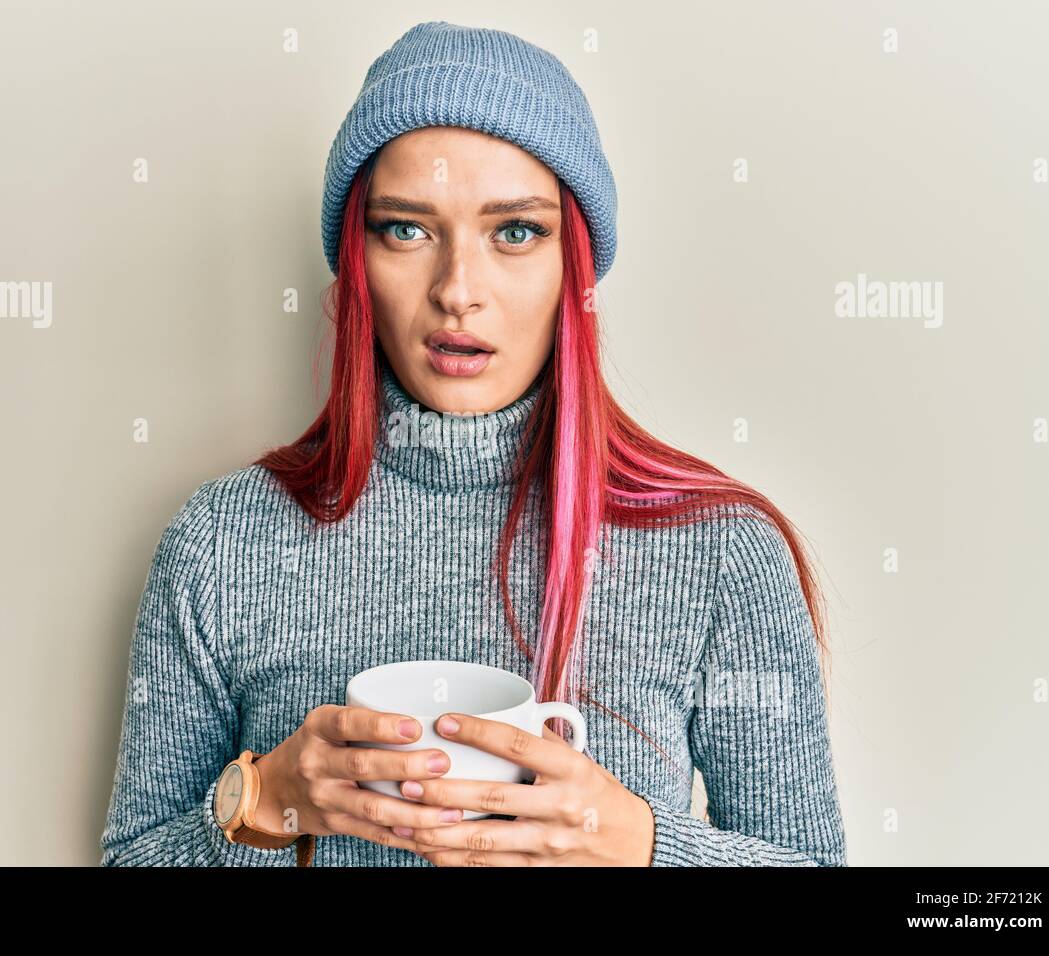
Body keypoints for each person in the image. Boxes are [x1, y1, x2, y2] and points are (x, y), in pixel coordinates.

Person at [100, 19, 847, 867]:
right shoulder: (222, 541)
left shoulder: (718, 550)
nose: (459, 290)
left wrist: (641, 845)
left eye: (516, 231)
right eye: (407, 230)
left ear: (577, 266)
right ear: (356, 258)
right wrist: (268, 804)